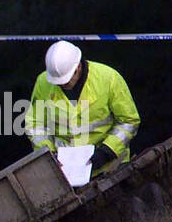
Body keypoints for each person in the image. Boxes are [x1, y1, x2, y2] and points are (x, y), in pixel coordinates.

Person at [26, 40, 140, 176]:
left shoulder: (109, 79)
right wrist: (49, 155)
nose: (63, 85)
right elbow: (35, 124)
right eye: (59, 82)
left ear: (78, 67)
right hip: (64, 172)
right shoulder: (43, 83)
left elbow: (129, 121)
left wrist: (107, 151)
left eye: (66, 80)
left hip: (112, 166)